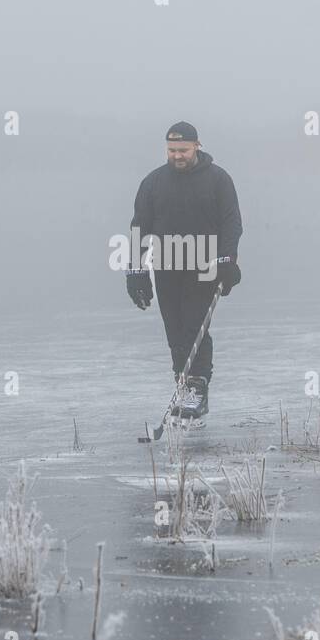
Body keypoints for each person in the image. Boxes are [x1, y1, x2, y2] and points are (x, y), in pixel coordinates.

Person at [127, 121, 242, 420]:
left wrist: (228, 261)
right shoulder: (153, 182)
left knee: (194, 324)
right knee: (174, 328)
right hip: (167, 261)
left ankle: (198, 388)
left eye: (183, 150)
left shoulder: (218, 180)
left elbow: (232, 224)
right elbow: (139, 227)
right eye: (172, 150)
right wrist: (136, 272)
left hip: (205, 262)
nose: (177, 155)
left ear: (197, 146)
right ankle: (183, 382)